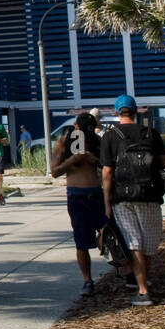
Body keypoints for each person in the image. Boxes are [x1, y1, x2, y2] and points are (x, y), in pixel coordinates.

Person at [101, 94, 165, 306]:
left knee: (134, 243)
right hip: (150, 195)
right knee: (147, 245)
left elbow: (107, 173)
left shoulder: (111, 136)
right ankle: (143, 281)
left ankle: (142, 290)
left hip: (123, 197)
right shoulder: (151, 132)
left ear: (116, 112)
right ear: (136, 110)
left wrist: (107, 202)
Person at [52, 111, 104, 295]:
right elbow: (54, 171)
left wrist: (95, 160)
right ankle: (87, 280)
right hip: (77, 196)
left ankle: (128, 272)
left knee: (109, 232)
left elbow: (107, 166)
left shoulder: (97, 141)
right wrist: (73, 160)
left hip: (97, 194)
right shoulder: (63, 143)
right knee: (81, 242)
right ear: (75, 128)